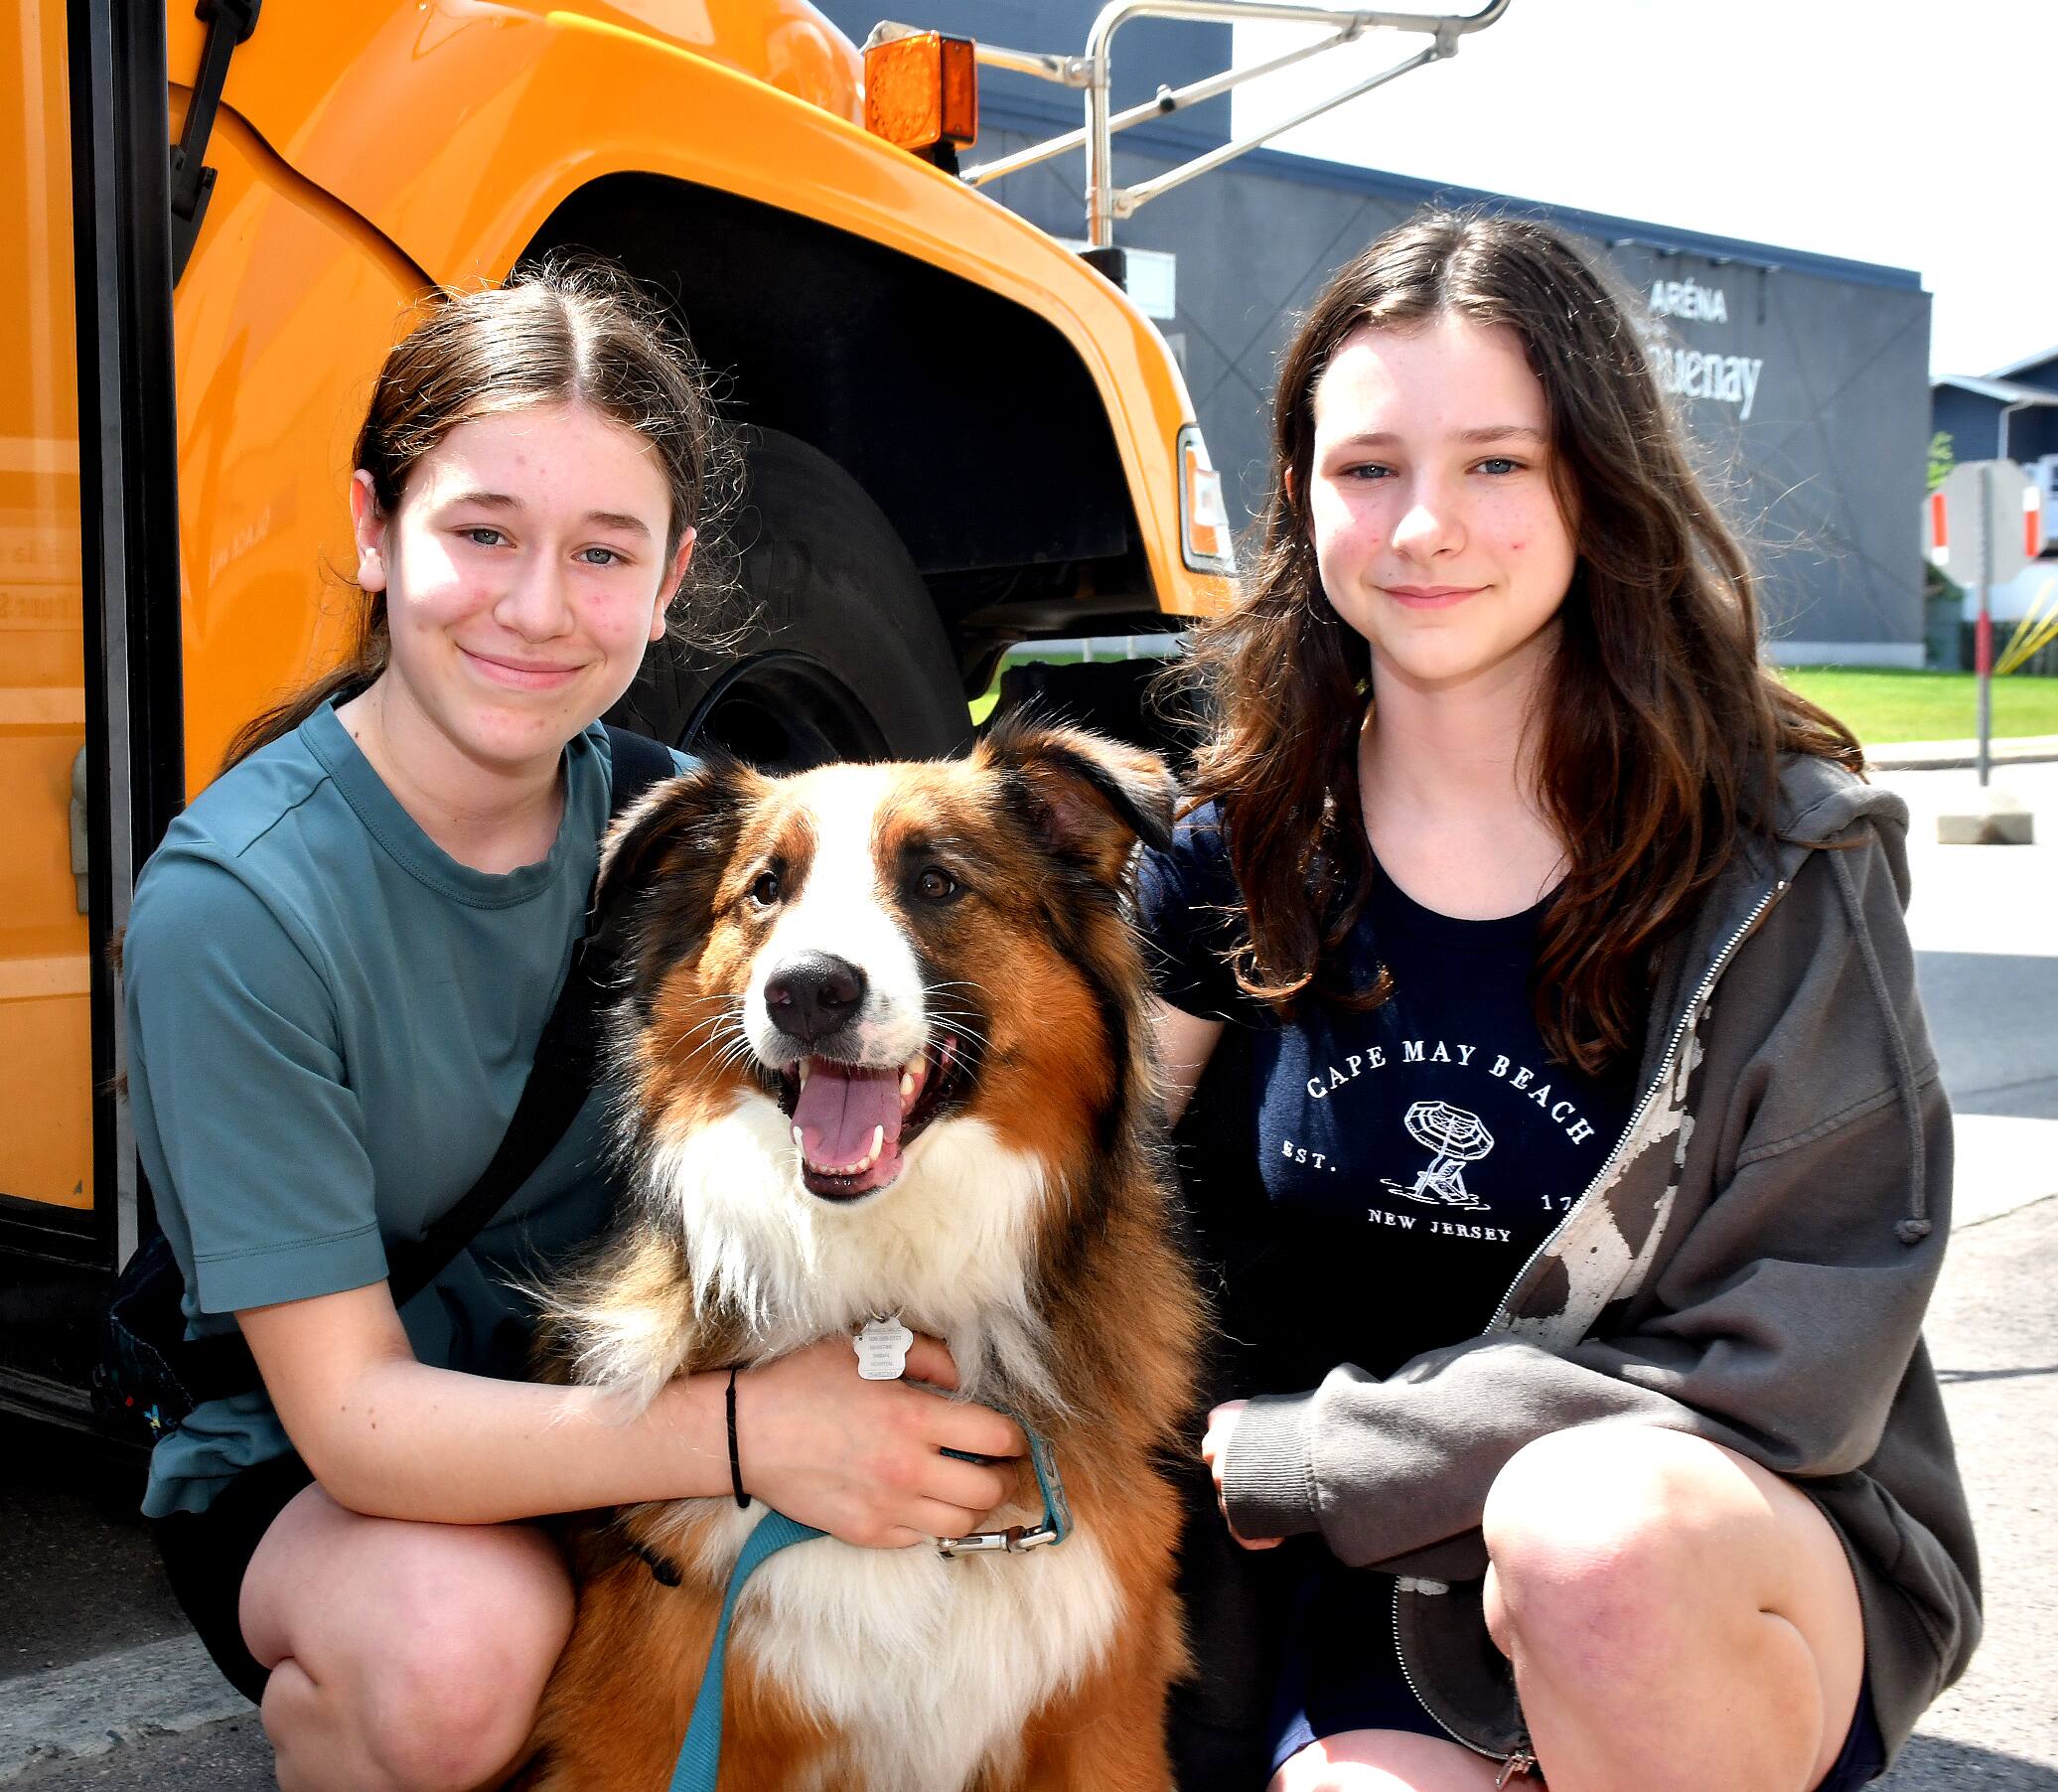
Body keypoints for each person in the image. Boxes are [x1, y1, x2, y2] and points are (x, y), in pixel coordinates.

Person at [125, 262, 1023, 1792]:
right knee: (450, 1656)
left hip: (653, 1385)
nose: (538, 609)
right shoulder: (238, 905)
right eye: (482, 534)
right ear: (372, 532)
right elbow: (353, 1419)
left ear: (670, 584)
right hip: (359, 1467)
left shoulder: (714, 844)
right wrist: (756, 1439)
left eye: (602, 554)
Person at [1141, 212, 1980, 1792]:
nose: (1423, 527)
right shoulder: (1234, 855)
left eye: (1497, 466)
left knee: (1584, 1535)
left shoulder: (1778, 869)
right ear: (1303, 497)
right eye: (1368, 468)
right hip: (1362, 1596)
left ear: (1596, 485)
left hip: (1700, 1561)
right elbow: (1076, 1192)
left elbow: (1787, 1366)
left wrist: (1321, 1451)